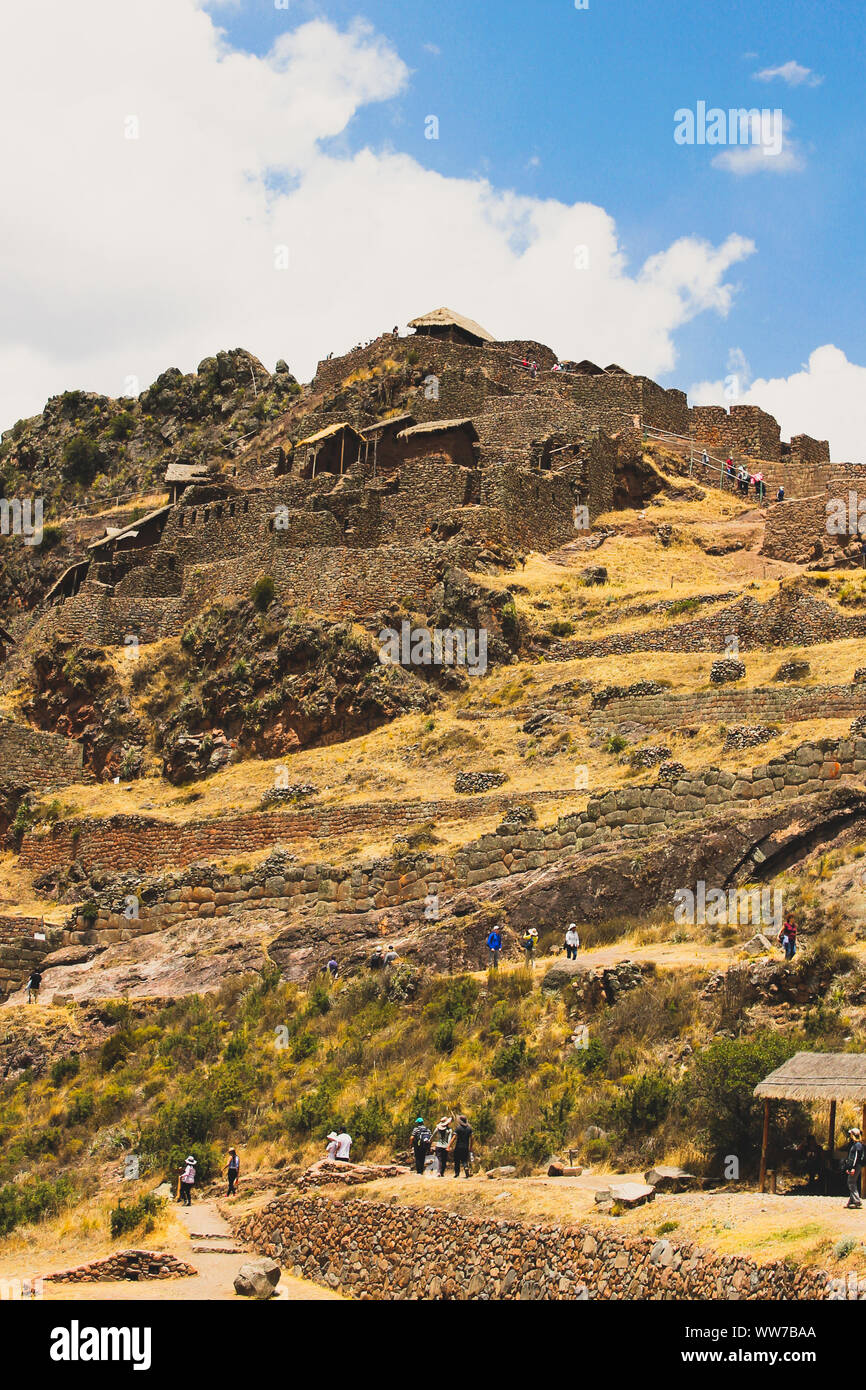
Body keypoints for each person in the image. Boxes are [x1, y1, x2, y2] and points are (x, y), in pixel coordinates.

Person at [844, 1127, 865, 1209]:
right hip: (856, 1166)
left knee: (851, 1182)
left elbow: (855, 1157)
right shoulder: (858, 1144)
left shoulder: (857, 1145)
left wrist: (852, 1167)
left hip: (855, 1166)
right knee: (852, 1182)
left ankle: (857, 1200)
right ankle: (851, 1201)